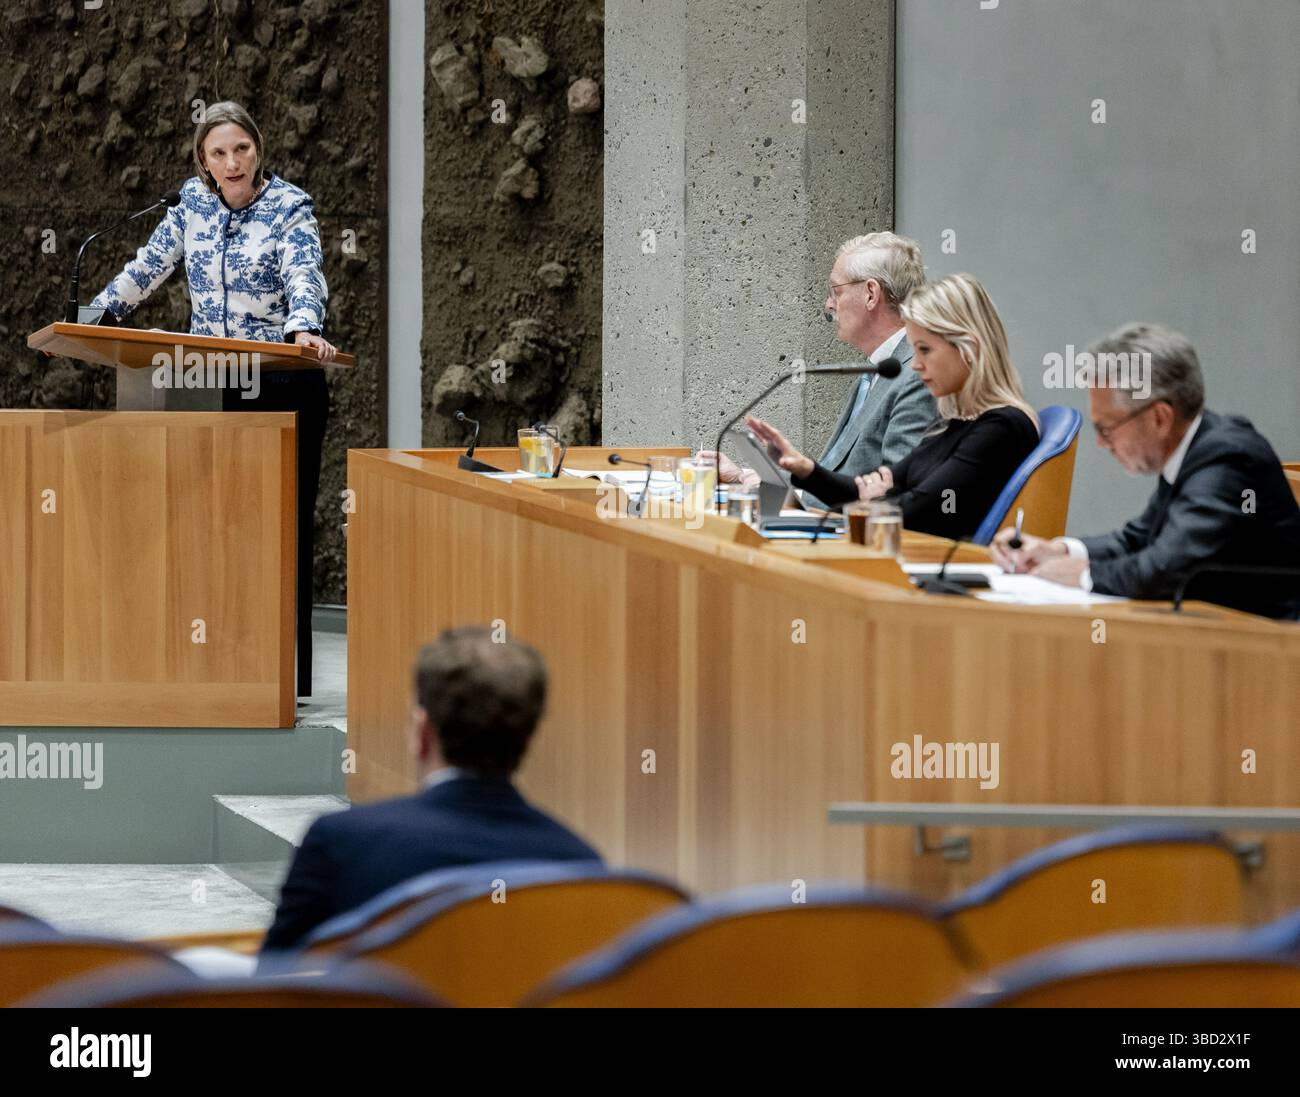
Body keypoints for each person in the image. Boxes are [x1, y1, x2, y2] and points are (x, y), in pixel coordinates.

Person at [90, 101, 334, 698]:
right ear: (203, 160)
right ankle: (208, 654)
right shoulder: (189, 206)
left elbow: (306, 273)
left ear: (258, 150)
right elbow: (145, 269)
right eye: (219, 152)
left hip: (280, 381)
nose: (232, 162)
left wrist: (303, 324)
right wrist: (91, 319)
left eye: (242, 149)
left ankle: (286, 674)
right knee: (210, 523)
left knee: (280, 527)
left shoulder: (289, 207)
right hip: (207, 383)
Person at [260, 626, 600, 952]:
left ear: (421, 732)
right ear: (528, 737)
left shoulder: (340, 842)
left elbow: (277, 983)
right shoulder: (579, 865)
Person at [992, 323, 1300, 619]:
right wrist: (1057, 549)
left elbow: (1164, 569)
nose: (1101, 443)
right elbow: (1137, 540)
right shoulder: (1198, 450)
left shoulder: (1227, 459)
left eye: (1107, 428)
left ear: (1159, 418)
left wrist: (1082, 574)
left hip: (1271, 650)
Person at [747, 273, 1039, 541]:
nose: (917, 364)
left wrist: (874, 499)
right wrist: (804, 468)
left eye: (925, 349)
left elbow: (917, 510)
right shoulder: (951, 424)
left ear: (969, 349)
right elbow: (863, 489)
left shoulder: (1002, 426)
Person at [701, 232, 936, 508]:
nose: (829, 304)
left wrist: (781, 493)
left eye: (836, 291)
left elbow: (891, 495)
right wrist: (745, 477)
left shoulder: (915, 377)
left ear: (871, 294)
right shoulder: (877, 370)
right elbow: (835, 476)